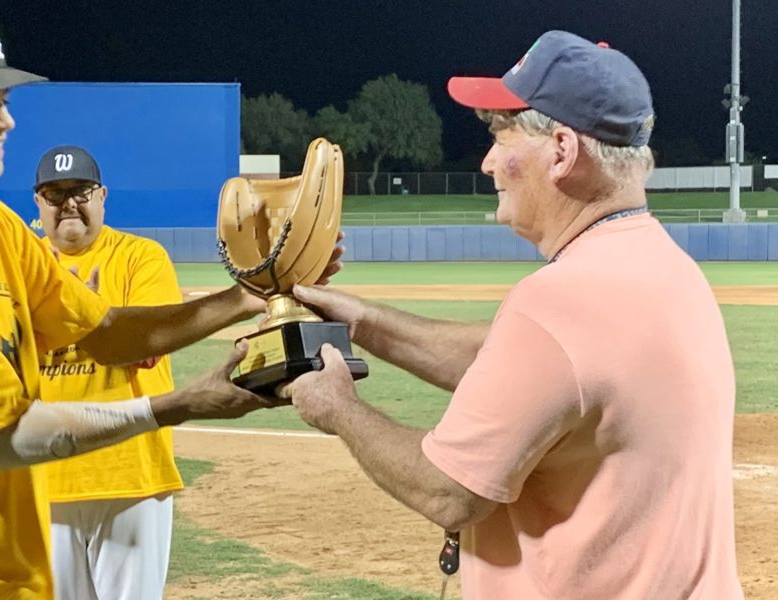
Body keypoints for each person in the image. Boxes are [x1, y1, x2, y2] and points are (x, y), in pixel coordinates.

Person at [0, 2, 338, 598]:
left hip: (5, 565)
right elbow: (7, 437)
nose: (5, 122)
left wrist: (245, 294)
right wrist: (179, 405)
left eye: (3, 101)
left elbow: (102, 331)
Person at [279, 30, 742, 599]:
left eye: (503, 134)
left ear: (563, 151)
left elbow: (449, 492)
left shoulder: (558, 302)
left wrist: (338, 408)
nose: (488, 160)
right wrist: (364, 323)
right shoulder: (666, 267)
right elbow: (529, 370)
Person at [32, 145, 184, 600]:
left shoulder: (141, 257)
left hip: (130, 477)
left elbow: (145, 343)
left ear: (102, 196)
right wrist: (94, 318)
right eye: (55, 194)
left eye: (80, 191)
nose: (69, 204)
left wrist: (79, 312)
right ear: (38, 203)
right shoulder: (19, 265)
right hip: (41, 480)